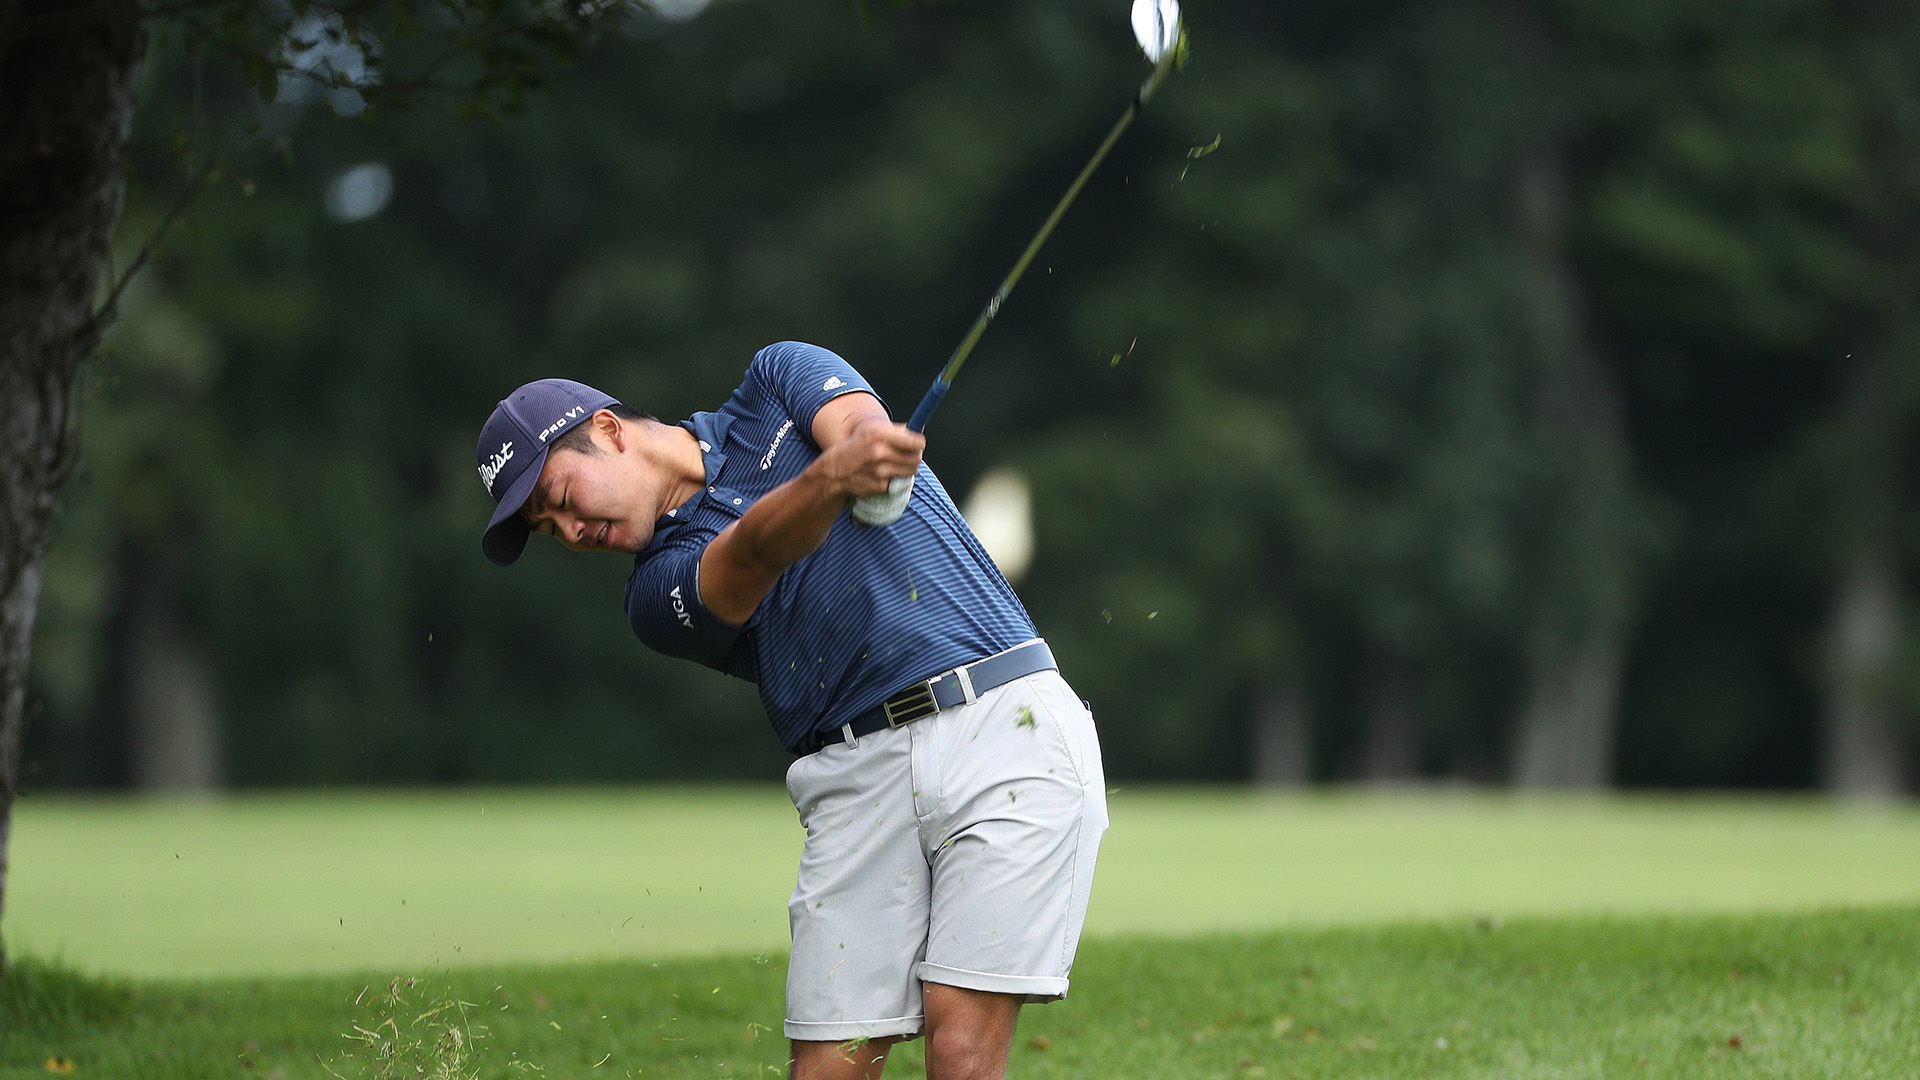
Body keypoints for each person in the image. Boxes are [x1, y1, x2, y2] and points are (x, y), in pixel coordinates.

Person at [475, 341, 1107, 1080]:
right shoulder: (652, 597)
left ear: (609, 430)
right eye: (549, 531)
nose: (571, 532)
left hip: (1002, 723)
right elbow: (750, 556)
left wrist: (869, 456)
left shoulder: (776, 379)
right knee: (829, 1067)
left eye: (559, 498)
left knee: (963, 1052)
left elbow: (858, 427)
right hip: (854, 779)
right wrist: (833, 479)